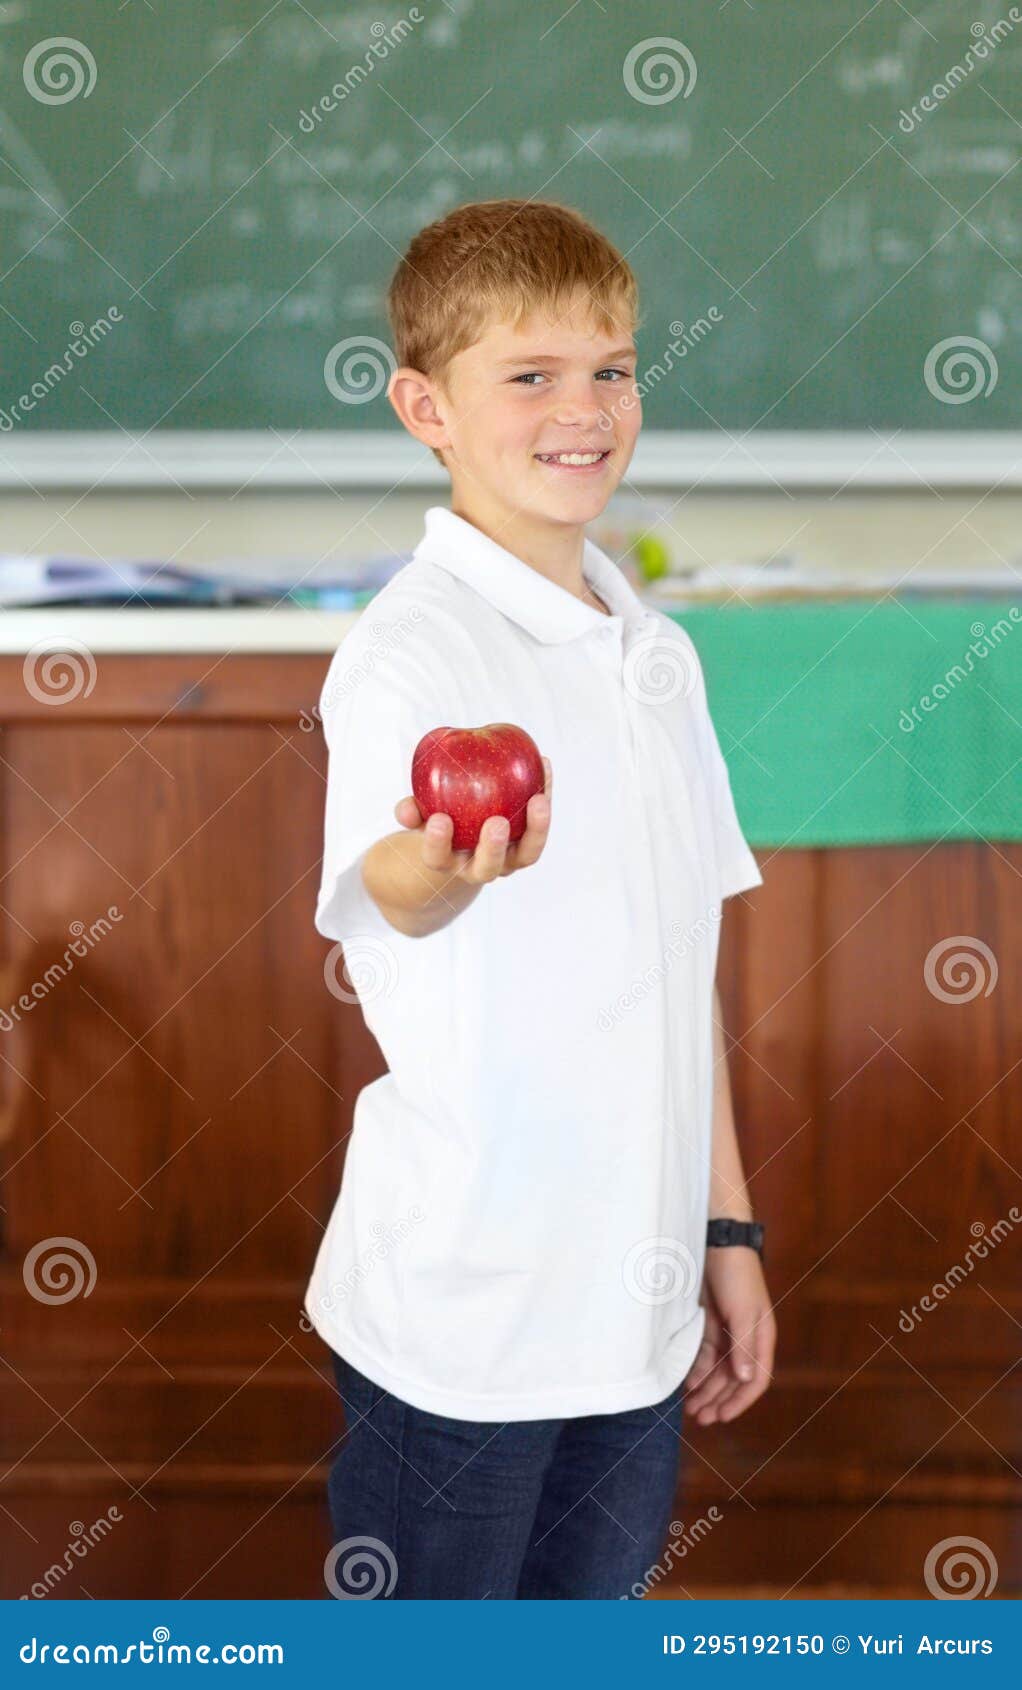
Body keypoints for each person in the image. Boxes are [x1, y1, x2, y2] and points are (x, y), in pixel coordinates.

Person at [305, 198, 776, 1601]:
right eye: (529, 376)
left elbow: (677, 971)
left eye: (612, 369)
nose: (583, 410)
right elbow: (388, 893)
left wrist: (724, 1232)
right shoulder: (409, 652)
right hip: (464, 1319)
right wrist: (439, 866)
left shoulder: (656, 653)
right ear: (422, 406)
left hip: (629, 1313)